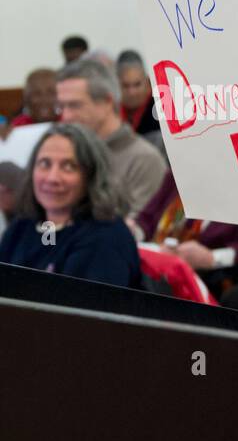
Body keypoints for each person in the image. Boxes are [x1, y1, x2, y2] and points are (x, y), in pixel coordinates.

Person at [0, 123, 140, 287]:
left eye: (68, 166)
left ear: (92, 175)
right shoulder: (23, 225)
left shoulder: (105, 238)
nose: (52, 178)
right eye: (45, 164)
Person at [55, 59, 166, 216]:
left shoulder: (143, 160)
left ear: (107, 102)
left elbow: (139, 227)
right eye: (61, 107)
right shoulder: (65, 154)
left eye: (75, 105)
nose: (65, 116)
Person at [116, 50, 161, 149]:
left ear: (148, 83)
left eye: (137, 85)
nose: (132, 92)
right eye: (125, 85)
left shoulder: (163, 114)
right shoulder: (111, 115)